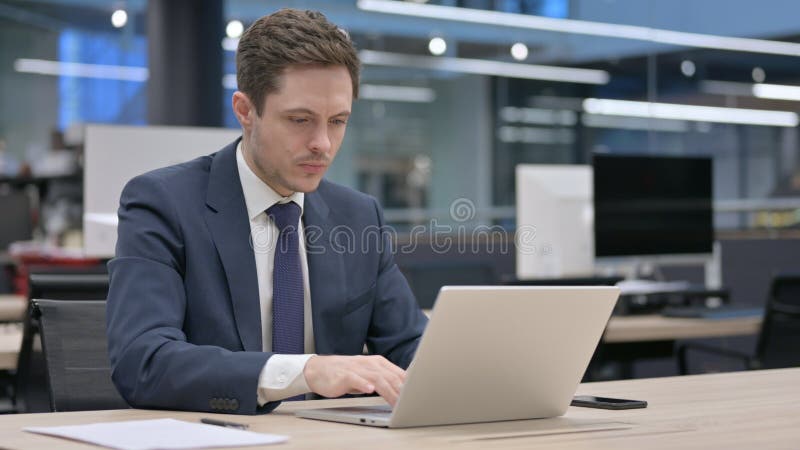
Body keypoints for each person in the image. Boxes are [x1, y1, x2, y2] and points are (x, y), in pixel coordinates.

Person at [106, 9, 428, 415]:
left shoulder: (358, 216)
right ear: (245, 111)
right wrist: (304, 372)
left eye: (337, 121)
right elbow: (142, 361)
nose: (323, 143)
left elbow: (412, 346)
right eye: (300, 120)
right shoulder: (163, 203)